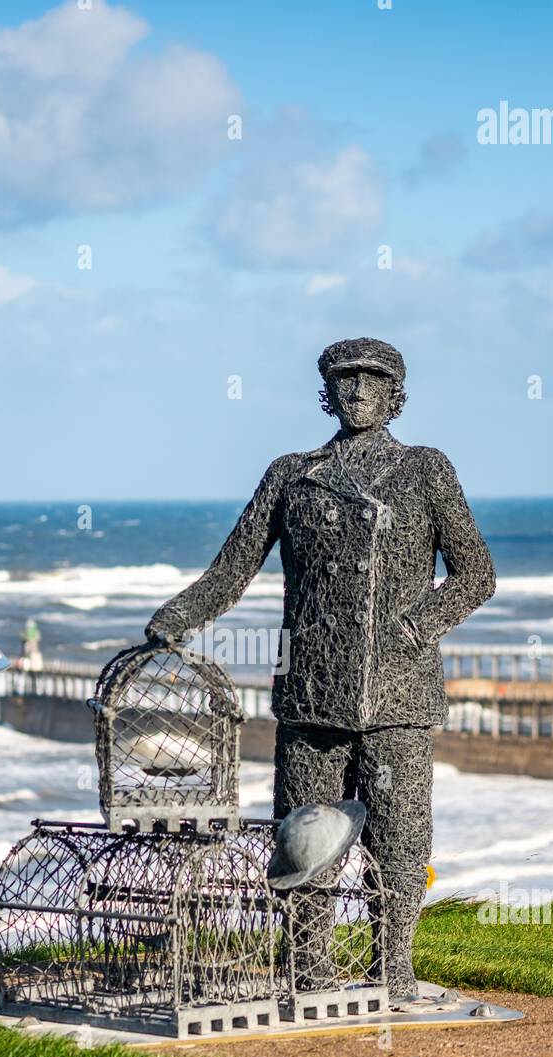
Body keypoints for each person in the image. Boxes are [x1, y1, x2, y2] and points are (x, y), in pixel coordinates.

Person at [146, 337, 496, 999]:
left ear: (397, 394)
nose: (356, 391)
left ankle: (393, 970)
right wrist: (175, 616)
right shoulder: (290, 473)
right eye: (343, 380)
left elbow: (476, 574)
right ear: (325, 392)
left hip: (399, 696)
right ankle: (308, 970)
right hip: (311, 695)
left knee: (398, 842)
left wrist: (414, 627)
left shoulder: (426, 469)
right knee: (304, 840)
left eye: (372, 379)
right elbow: (232, 569)